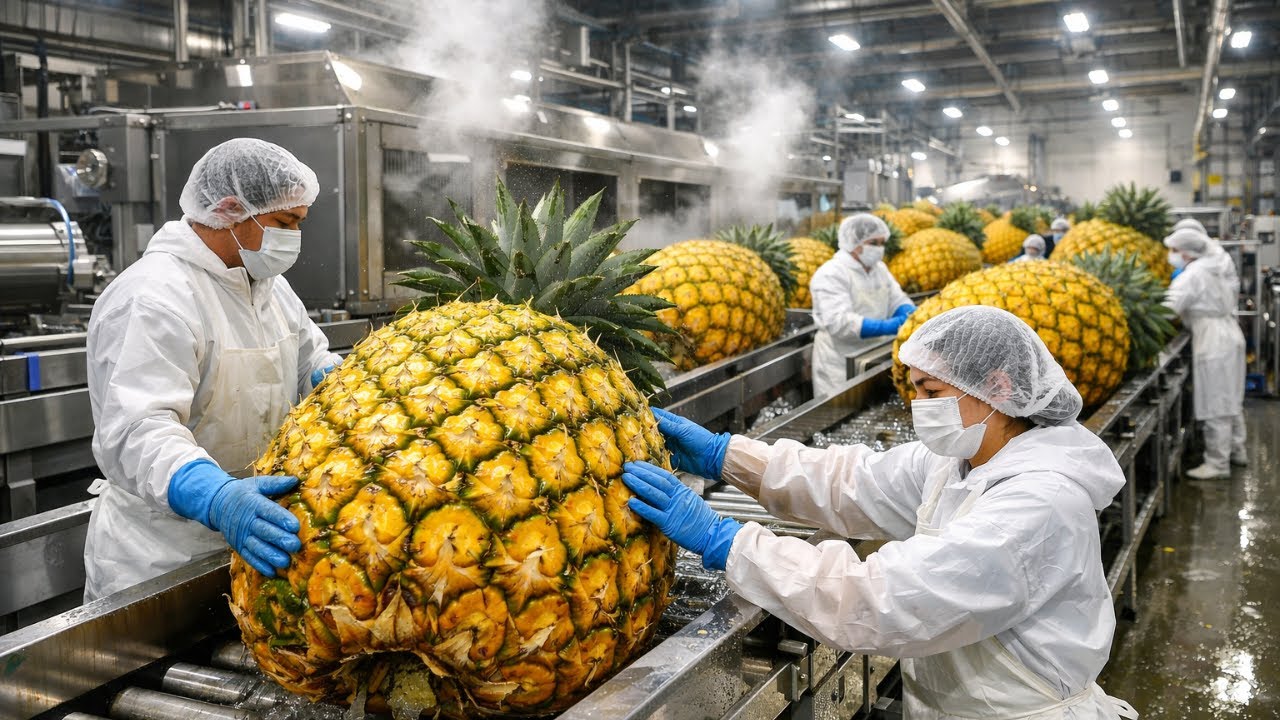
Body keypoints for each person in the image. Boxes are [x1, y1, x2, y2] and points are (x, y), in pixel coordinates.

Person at [624, 306, 1135, 719]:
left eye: (931, 392)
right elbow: (852, 482)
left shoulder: (1038, 504)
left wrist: (727, 541)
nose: (918, 406)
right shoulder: (961, 460)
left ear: (999, 388)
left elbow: (880, 599)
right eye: (914, 389)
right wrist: (727, 456)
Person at [83, 138, 342, 601]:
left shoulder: (268, 286)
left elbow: (309, 361)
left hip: (255, 542)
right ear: (229, 209)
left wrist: (340, 382)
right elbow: (139, 431)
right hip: (160, 559)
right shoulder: (154, 296)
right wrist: (217, 498)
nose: (295, 238)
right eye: (285, 223)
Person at [1163, 227, 1247, 479]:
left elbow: (1168, 309)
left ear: (1187, 251)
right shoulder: (1218, 264)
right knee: (1231, 398)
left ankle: (1217, 464)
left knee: (1216, 401)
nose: (1172, 255)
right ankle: (1237, 450)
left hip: (1212, 340)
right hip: (1229, 331)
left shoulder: (1194, 274)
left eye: (1175, 250)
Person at [808, 213, 914, 398]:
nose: (879, 249)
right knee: (840, 414)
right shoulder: (831, 273)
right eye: (873, 243)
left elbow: (897, 298)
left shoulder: (879, 269)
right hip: (840, 362)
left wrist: (909, 313)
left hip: (875, 353)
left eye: (882, 243)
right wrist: (887, 326)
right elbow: (839, 322)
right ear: (853, 243)